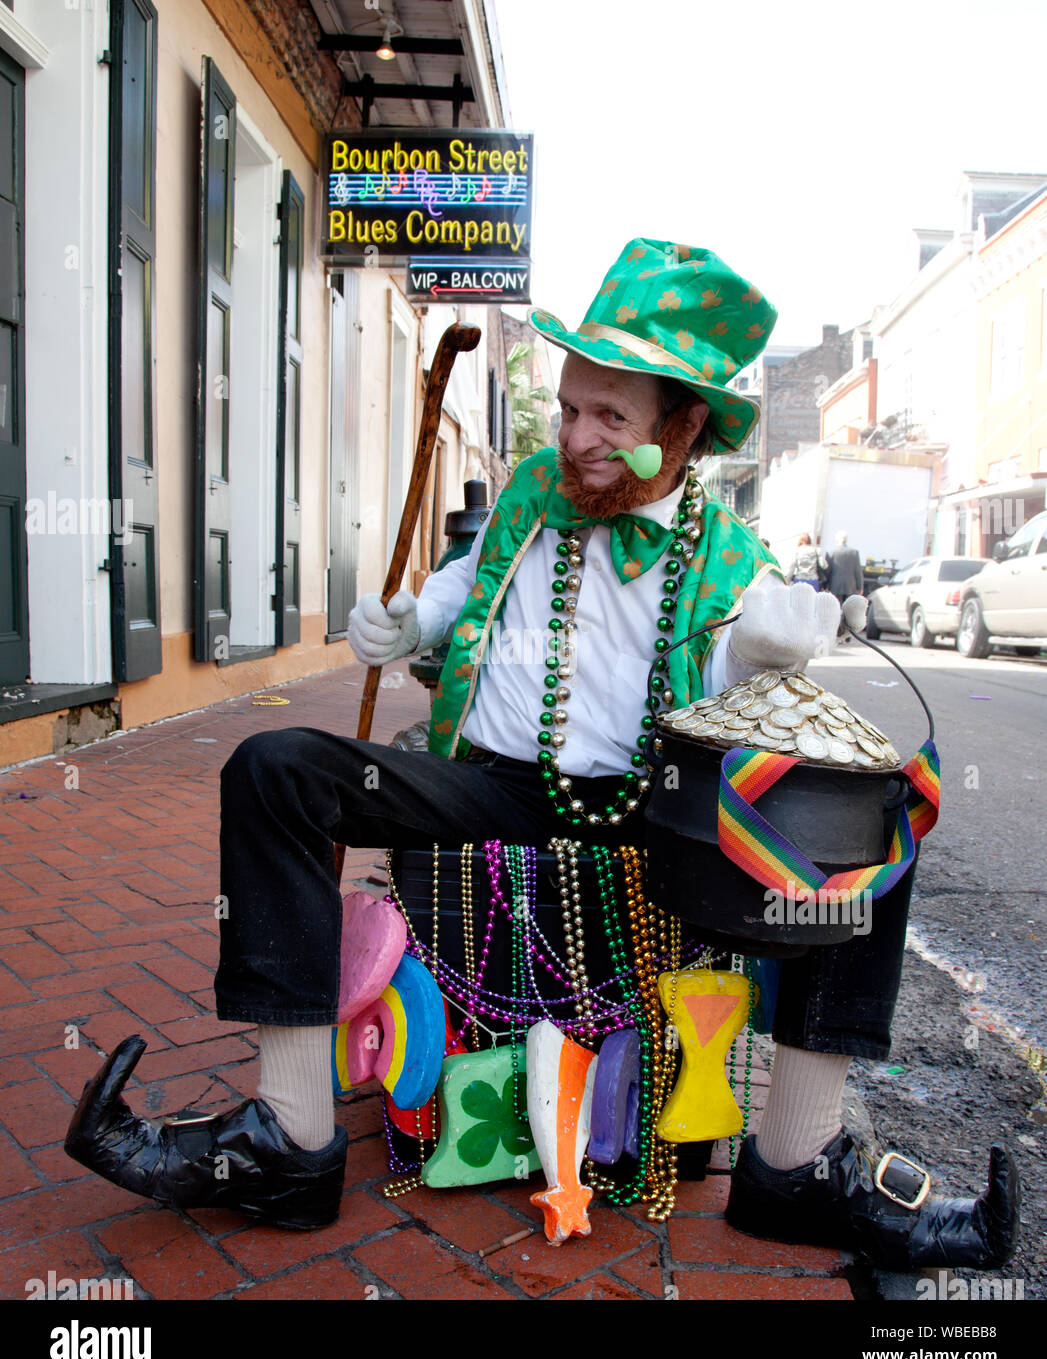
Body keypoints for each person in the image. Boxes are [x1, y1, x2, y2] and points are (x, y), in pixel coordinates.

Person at [64, 238, 1017, 1270]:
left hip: (656, 815)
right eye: (569, 409)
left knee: (875, 825)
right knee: (276, 765)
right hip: (491, 789)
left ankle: (798, 1159)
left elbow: (734, 678)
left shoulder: (730, 554)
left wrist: (759, 653)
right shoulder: (529, 493)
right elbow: (463, 578)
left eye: (611, 417)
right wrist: (409, 622)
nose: (578, 437)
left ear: (685, 425)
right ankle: (288, 1139)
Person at [828, 529, 864, 601]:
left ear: (837, 540)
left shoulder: (832, 553)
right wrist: (860, 587)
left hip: (835, 586)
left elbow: (828, 571)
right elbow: (857, 571)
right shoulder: (854, 553)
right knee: (848, 609)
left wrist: (826, 586)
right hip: (850, 587)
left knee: (836, 608)